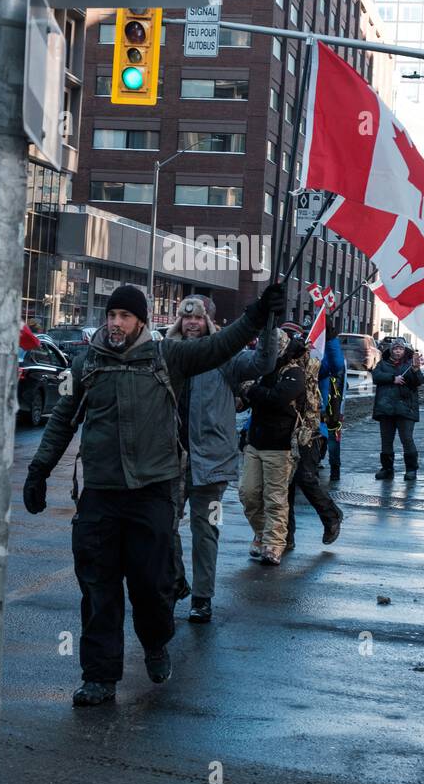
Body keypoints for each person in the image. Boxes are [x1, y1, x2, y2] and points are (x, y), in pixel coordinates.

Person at [23, 281, 285, 707]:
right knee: (98, 589)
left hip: (153, 492)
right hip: (101, 495)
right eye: (111, 316)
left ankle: (156, 643)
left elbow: (220, 347)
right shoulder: (87, 362)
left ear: (141, 321)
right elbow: (63, 419)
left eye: (124, 316)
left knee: (152, 586)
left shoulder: (168, 356)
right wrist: (39, 470)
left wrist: (256, 315)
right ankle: (99, 677)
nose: (115, 323)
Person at [166, 294, 278, 624]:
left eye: (198, 318)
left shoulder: (224, 356)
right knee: (161, 529)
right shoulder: (165, 353)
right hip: (167, 462)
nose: (191, 323)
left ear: (209, 322)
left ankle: (202, 598)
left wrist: (268, 322)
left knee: (206, 531)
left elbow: (263, 364)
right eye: (186, 318)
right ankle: (174, 583)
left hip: (211, 464)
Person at [238, 329, 307, 566]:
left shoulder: (294, 372)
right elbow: (245, 398)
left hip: (280, 446)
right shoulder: (260, 371)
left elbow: (276, 399)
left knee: (275, 498)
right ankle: (263, 533)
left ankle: (274, 544)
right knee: (248, 494)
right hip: (254, 443)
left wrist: (252, 390)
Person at [285, 323, 343, 551]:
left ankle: (331, 516)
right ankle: (285, 536)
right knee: (282, 487)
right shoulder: (272, 365)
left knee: (304, 478)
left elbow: (336, 365)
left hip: (309, 433)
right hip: (279, 432)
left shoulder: (312, 365)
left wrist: (331, 337)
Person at [372, 336, 424, 482]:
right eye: (395, 348)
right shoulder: (382, 364)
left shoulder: (410, 364)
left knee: (407, 439)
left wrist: (415, 371)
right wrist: (392, 378)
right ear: (391, 350)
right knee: (386, 440)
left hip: (406, 410)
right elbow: (376, 376)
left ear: (404, 350)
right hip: (386, 409)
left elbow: (420, 381)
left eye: (400, 348)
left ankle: (411, 469)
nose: (397, 351)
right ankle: (387, 469)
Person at [319, 314, 346, 481]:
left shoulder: (334, 361)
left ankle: (335, 468)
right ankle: (317, 461)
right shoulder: (315, 357)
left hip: (334, 404)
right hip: (319, 405)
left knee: (333, 439)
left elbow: (336, 366)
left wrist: (331, 337)